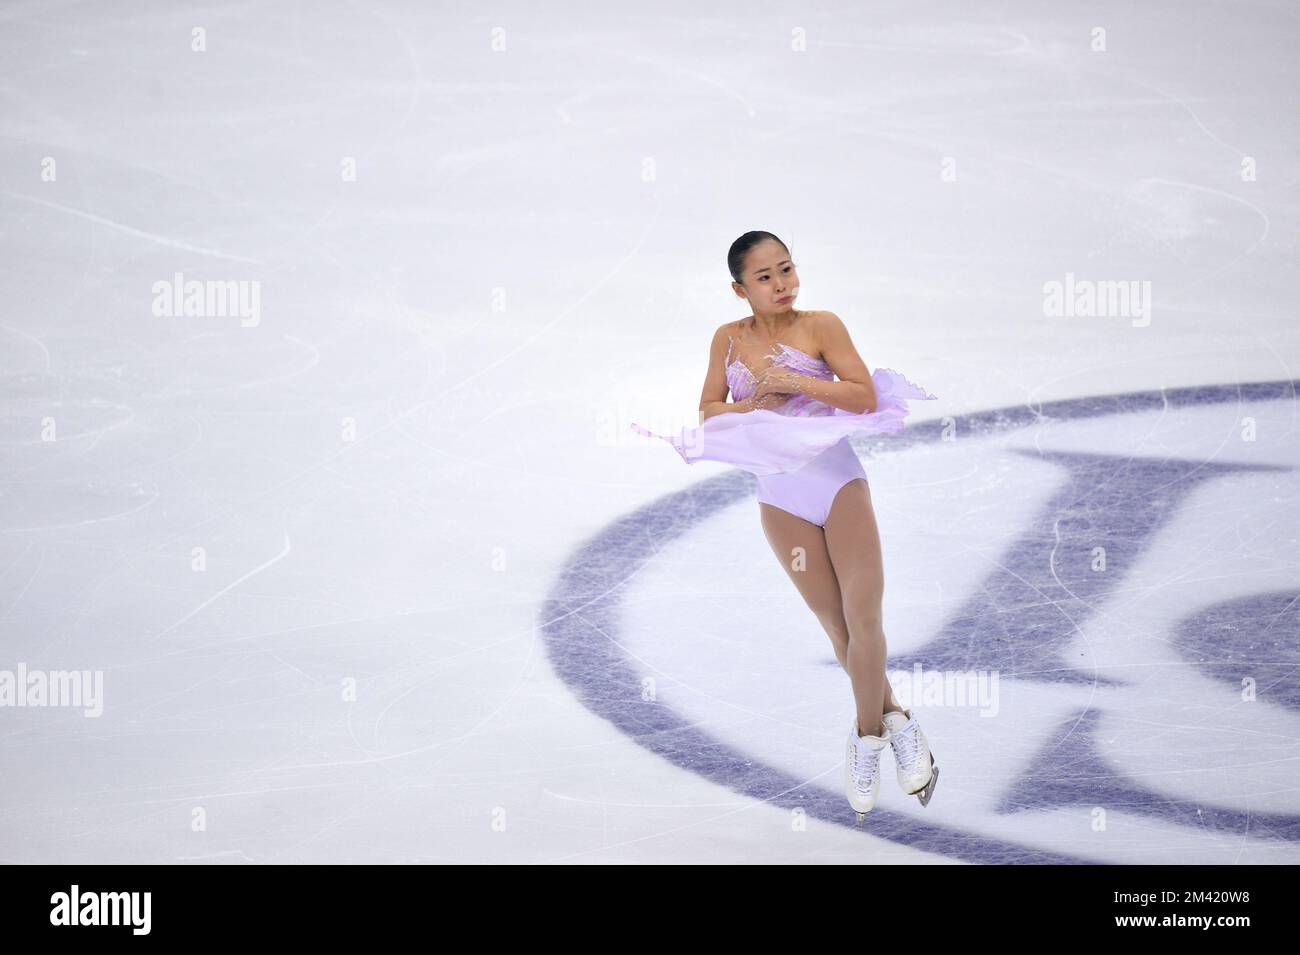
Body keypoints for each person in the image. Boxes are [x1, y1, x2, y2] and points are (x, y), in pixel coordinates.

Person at [631, 231, 940, 817]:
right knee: (837, 629)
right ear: (739, 288)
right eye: (765, 277)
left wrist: (796, 381)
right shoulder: (727, 339)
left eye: (786, 270)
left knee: (864, 615)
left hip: (838, 485)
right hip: (779, 502)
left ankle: (865, 737)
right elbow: (709, 412)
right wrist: (754, 404)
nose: (780, 284)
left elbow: (865, 396)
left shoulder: (822, 325)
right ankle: (896, 720)